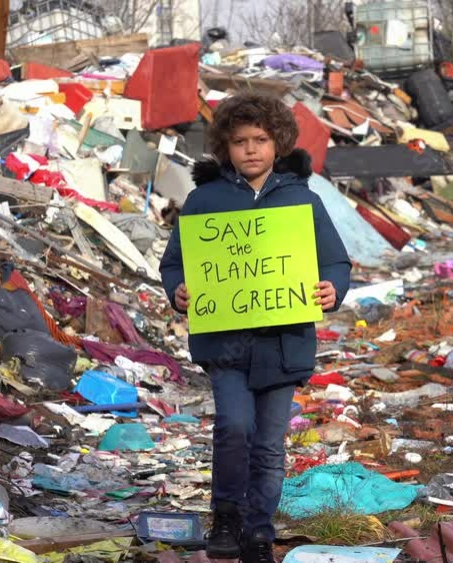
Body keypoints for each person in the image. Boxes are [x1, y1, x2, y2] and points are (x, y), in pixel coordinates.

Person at [160, 93, 351, 563]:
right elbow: (174, 264)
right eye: (240, 141)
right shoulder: (204, 200)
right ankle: (226, 517)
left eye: (260, 140)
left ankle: (259, 532)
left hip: (284, 347)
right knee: (233, 427)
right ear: (225, 145)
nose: (250, 149)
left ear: (278, 142)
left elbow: (335, 260)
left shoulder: (302, 200)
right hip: (225, 345)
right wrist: (180, 290)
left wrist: (333, 288)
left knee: (268, 444)